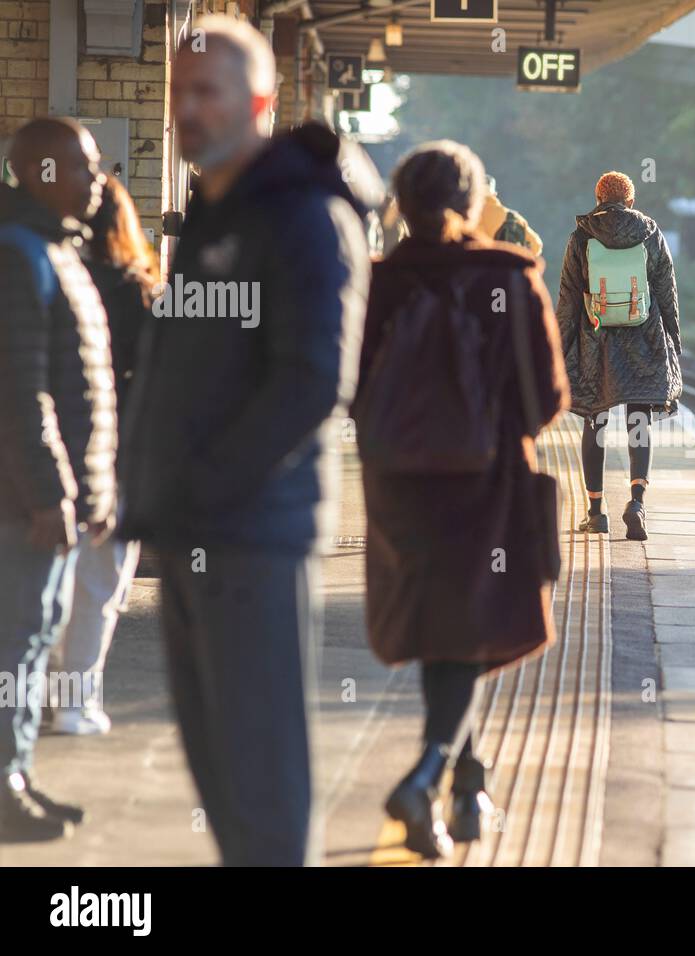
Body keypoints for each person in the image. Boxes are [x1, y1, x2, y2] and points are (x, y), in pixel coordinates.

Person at [116, 15, 373, 866]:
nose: (186, 108)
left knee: (259, 766)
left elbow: (312, 381)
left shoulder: (299, 215)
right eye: (178, 90)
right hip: (190, 528)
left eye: (206, 91)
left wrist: (203, 486)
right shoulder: (214, 213)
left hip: (253, 533)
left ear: (258, 100)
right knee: (216, 766)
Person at [355, 141, 568, 859]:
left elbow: (352, 390)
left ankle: (467, 785)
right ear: (475, 202)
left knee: (444, 630)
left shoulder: (378, 282)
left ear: (399, 202)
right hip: (487, 485)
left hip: (398, 488)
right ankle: (426, 776)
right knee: (467, 630)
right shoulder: (507, 276)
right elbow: (547, 401)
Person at [0, 116, 115, 841]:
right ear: (42, 173)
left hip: (44, 498)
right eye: (84, 166)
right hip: (24, 504)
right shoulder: (19, 256)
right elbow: (21, 387)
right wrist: (51, 493)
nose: (98, 179)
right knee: (15, 641)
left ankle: (16, 775)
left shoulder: (51, 248)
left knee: (33, 637)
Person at [46, 175, 155, 736]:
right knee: (100, 588)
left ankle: (36, 696)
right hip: (117, 456)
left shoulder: (50, 275)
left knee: (43, 586)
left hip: (47, 452)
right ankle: (75, 703)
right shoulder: (139, 289)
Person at [555, 171, 682, 541]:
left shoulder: (581, 236)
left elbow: (567, 300)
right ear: (630, 200)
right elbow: (666, 293)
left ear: (598, 197)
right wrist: (672, 344)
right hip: (643, 339)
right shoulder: (650, 233)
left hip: (596, 341)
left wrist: (559, 350)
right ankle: (637, 502)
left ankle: (596, 512)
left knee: (594, 420)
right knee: (639, 419)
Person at [478, 175, 543, 256]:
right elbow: (536, 246)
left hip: (473, 267)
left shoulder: (465, 217)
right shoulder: (512, 217)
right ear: (494, 194)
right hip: (505, 267)